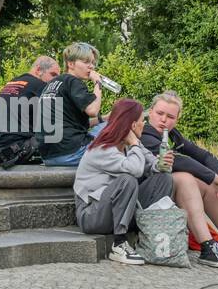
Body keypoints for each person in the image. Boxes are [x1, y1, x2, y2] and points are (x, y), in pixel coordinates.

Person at [140, 91, 218, 266]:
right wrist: (214, 177)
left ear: (177, 119)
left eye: (170, 117)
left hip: (163, 193)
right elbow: (178, 161)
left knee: (211, 186)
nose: (163, 120)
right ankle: (207, 246)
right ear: (150, 112)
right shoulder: (144, 134)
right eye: (159, 113)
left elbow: (204, 156)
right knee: (185, 178)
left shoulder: (172, 134)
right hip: (143, 197)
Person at [73, 97, 175, 265]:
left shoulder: (129, 145)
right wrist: (134, 143)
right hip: (92, 215)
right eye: (142, 121)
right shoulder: (103, 149)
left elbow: (152, 164)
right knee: (127, 180)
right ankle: (119, 245)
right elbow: (135, 170)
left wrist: (162, 164)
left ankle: (152, 235)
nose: (144, 124)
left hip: (116, 210)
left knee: (164, 179)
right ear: (132, 125)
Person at [0, 56, 59, 167]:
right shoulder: (40, 86)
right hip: (10, 151)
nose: (55, 81)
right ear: (38, 70)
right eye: (53, 75)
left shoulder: (13, 82)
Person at [38, 42, 106, 166]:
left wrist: (105, 118)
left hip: (49, 157)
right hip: (73, 153)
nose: (91, 67)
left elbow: (71, 123)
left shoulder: (53, 84)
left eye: (92, 63)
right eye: (86, 62)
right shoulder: (73, 82)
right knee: (121, 124)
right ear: (71, 64)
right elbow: (93, 110)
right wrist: (98, 83)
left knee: (107, 122)